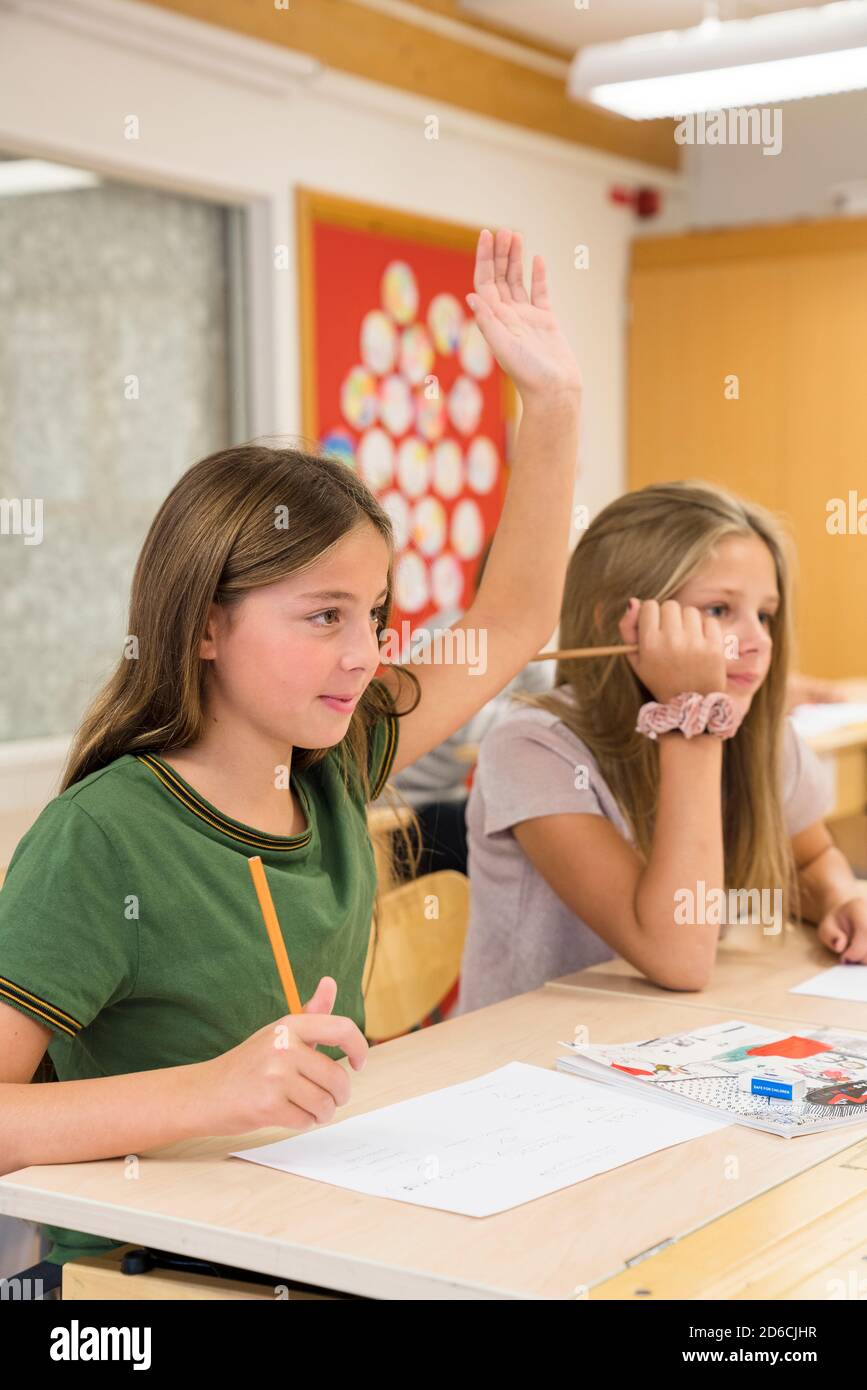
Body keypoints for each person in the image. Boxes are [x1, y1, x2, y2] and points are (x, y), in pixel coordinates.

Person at [0, 226, 583, 1268]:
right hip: (145, 1271)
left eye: (375, 612)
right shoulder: (102, 837)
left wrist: (552, 404)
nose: (365, 652)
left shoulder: (332, 761)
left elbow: (510, 621)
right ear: (206, 625)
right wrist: (215, 1089)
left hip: (319, 1237)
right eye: (324, 616)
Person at [457, 480, 867, 1015]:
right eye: (720, 610)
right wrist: (690, 717)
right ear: (617, 623)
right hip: (522, 1061)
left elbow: (809, 858)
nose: (759, 639)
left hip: (666, 1039)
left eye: (764, 614)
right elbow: (678, 956)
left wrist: (841, 896)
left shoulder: (754, 730)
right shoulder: (531, 747)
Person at [376, 539, 555, 878]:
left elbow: (548, 703)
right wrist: (530, 717)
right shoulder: (453, 633)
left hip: (447, 795)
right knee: (508, 835)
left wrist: (533, 651)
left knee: (530, 823)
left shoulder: (516, 645)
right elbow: (465, 723)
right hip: (402, 809)